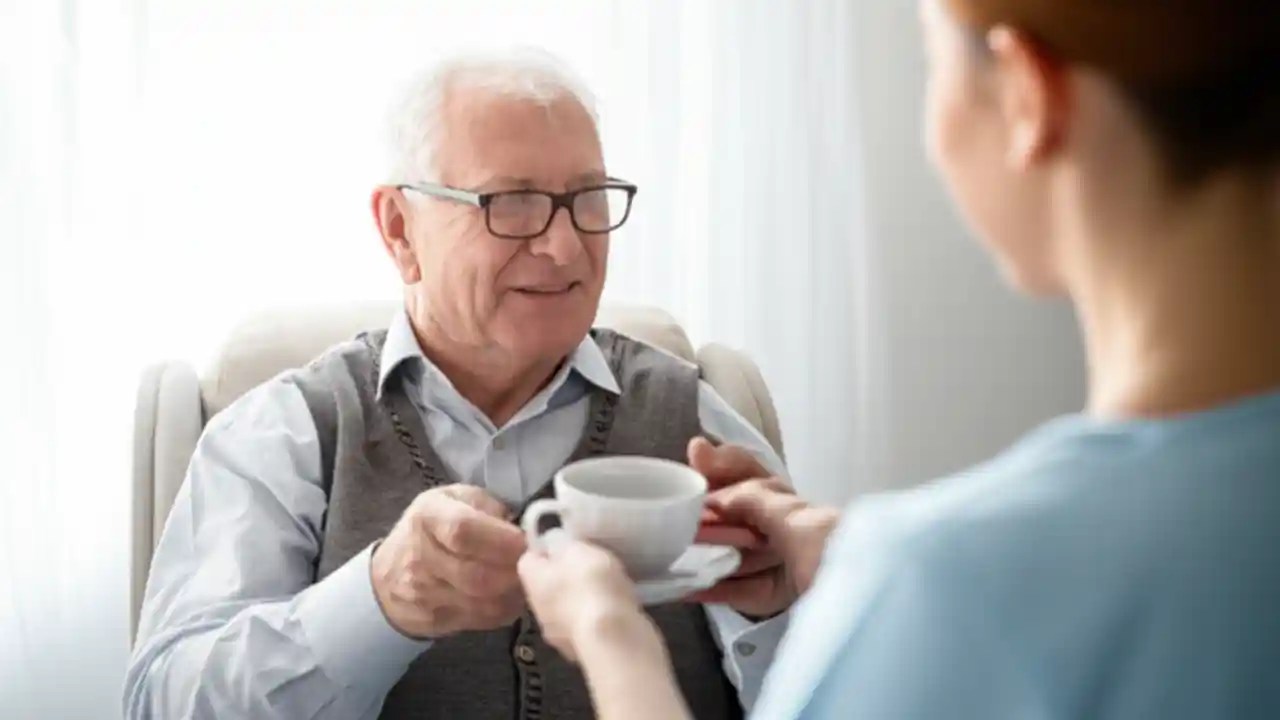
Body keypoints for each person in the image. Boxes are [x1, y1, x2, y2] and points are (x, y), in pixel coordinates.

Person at [518, 0, 1280, 717]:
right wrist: (850, 558)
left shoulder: (944, 579)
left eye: (933, 64)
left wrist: (612, 639)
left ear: (1025, 93)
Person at [124, 50, 790, 719]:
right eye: (514, 203)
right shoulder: (285, 432)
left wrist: (782, 612)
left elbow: (831, 693)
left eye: (587, 198)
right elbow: (163, 704)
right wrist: (380, 601)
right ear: (399, 229)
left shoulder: (699, 423)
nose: (564, 248)